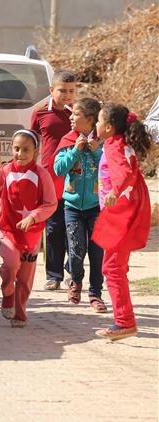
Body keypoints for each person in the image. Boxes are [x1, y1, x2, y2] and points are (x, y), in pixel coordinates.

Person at [0, 130, 58, 326]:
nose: (20, 154)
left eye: (26, 150)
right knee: (10, 264)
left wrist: (33, 217)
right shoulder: (5, 171)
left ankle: (19, 312)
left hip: (31, 233)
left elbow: (51, 203)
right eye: (16, 149)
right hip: (8, 228)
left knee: (25, 276)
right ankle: (7, 293)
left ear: (36, 151)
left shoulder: (42, 174)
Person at [92, 103, 152, 341]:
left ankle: (125, 322)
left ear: (108, 127)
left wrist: (115, 191)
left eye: (98, 121)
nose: (96, 124)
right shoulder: (117, 143)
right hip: (126, 211)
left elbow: (125, 173)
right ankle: (124, 319)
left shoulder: (115, 146)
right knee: (117, 267)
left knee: (112, 268)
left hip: (121, 215)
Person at [52, 97, 106, 312]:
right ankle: (76, 281)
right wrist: (74, 151)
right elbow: (58, 169)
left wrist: (95, 151)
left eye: (76, 114)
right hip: (72, 207)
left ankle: (95, 293)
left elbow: (109, 168)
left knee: (97, 251)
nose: (71, 118)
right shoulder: (68, 140)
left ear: (90, 119)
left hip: (97, 208)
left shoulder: (102, 141)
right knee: (75, 249)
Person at [29, 70, 77, 291]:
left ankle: (72, 273)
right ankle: (53, 275)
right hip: (49, 177)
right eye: (62, 90)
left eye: (71, 91)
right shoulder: (39, 114)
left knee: (73, 227)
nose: (67, 95)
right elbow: (32, 143)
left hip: (73, 177)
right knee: (52, 227)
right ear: (51, 90)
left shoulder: (77, 114)